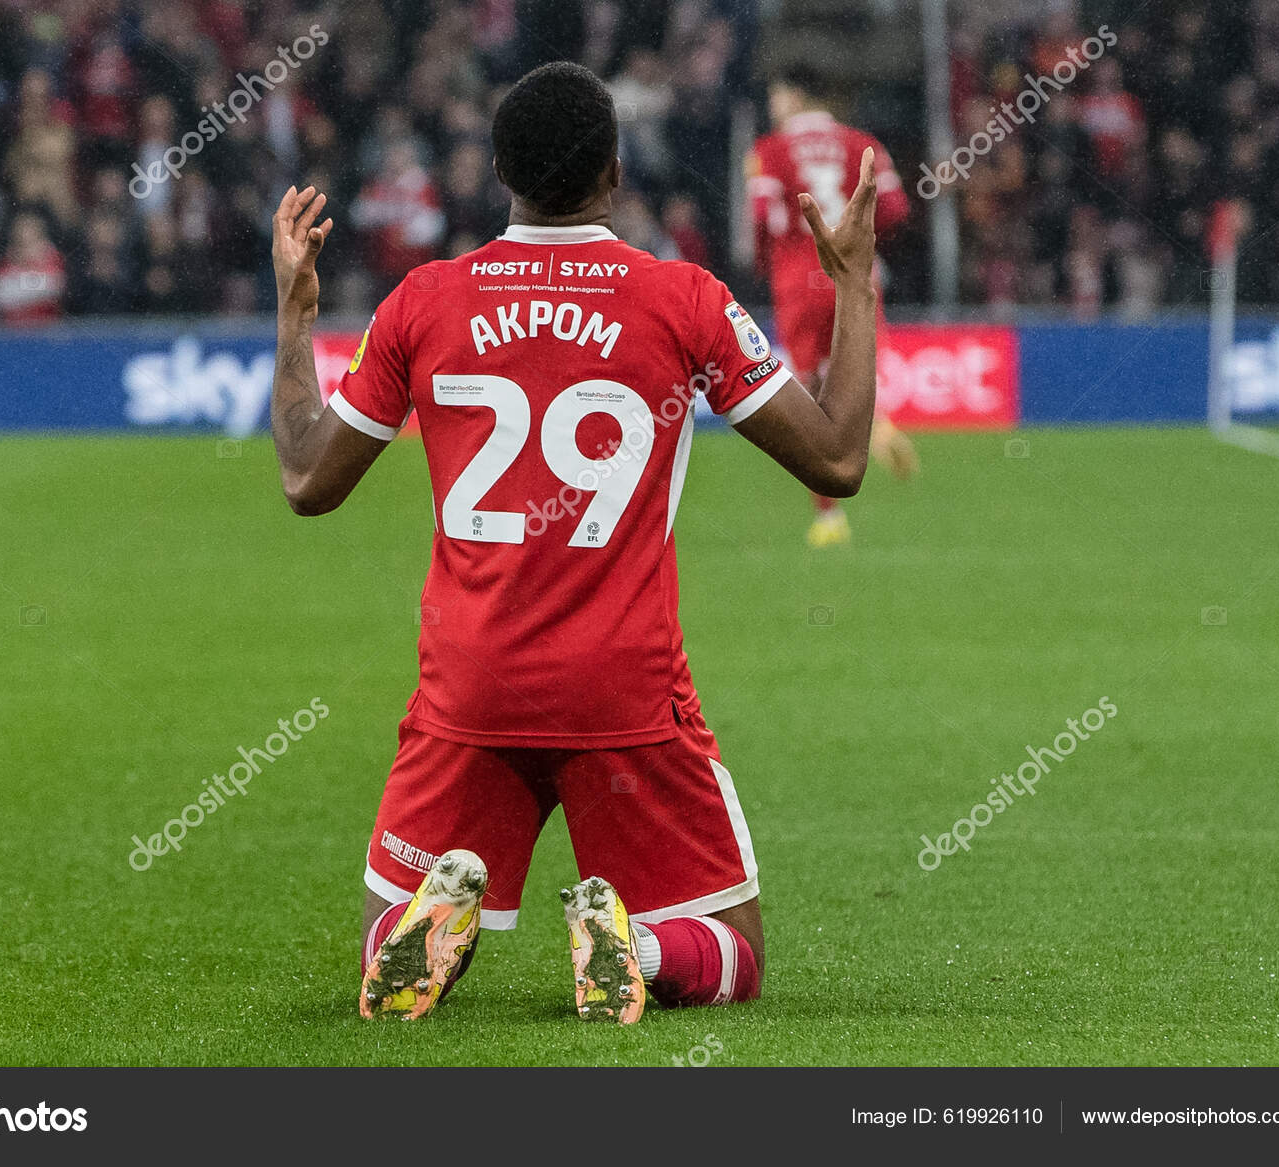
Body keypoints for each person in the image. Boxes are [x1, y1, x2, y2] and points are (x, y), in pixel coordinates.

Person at [267, 62, 880, 1023]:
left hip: (469, 687)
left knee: (380, 946)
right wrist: (855, 287)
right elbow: (840, 457)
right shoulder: (684, 300)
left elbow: (307, 478)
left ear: (499, 169)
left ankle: (433, 926)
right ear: (616, 172)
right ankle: (633, 945)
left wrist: (296, 321)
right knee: (735, 950)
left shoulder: (425, 301)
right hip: (623, 690)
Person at [748, 65, 918, 548]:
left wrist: (765, 264)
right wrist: (862, 241)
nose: (773, 104)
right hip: (855, 275)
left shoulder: (769, 149)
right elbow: (895, 209)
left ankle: (828, 517)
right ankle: (878, 426)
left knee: (811, 394)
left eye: (777, 93)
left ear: (796, 95)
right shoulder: (863, 143)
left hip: (798, 278)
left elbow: (761, 217)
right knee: (854, 377)